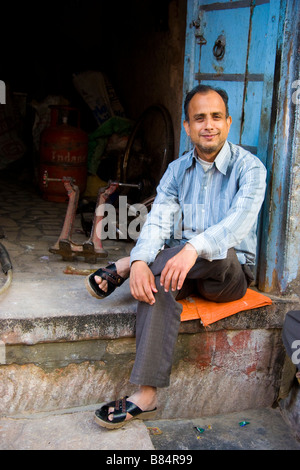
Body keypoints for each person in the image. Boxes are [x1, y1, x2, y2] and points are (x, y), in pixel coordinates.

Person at [85, 84, 267, 429]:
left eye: (216, 117)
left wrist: (190, 248)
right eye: (199, 118)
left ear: (228, 123)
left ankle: (122, 266)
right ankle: (147, 395)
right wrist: (143, 260)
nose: (208, 125)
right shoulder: (176, 171)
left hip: (229, 274)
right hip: (180, 268)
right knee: (155, 282)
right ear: (187, 126)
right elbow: (158, 221)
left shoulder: (251, 169)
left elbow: (235, 226)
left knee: (218, 251)